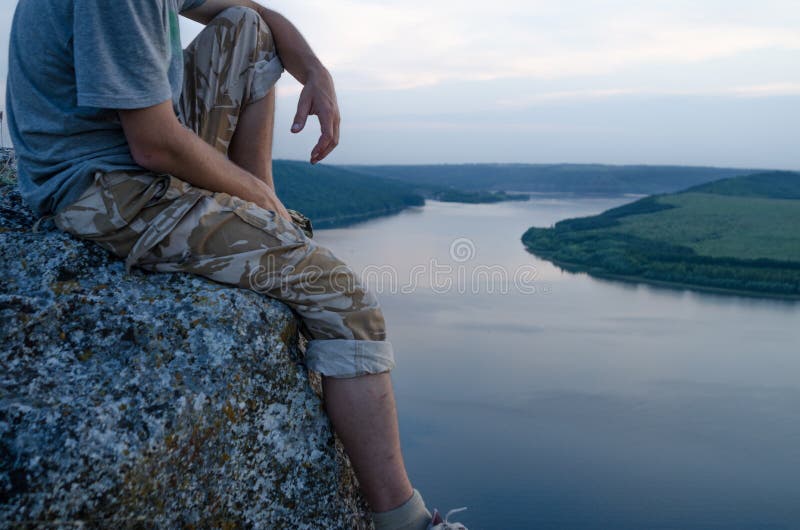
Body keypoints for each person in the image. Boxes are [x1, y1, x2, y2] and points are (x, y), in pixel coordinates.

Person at [5, 1, 469, 529]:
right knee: (344, 298)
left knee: (249, 29)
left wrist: (315, 70)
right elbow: (154, 145)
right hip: (100, 186)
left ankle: (260, 211)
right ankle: (402, 521)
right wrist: (251, 195)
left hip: (129, 157)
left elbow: (252, 11)